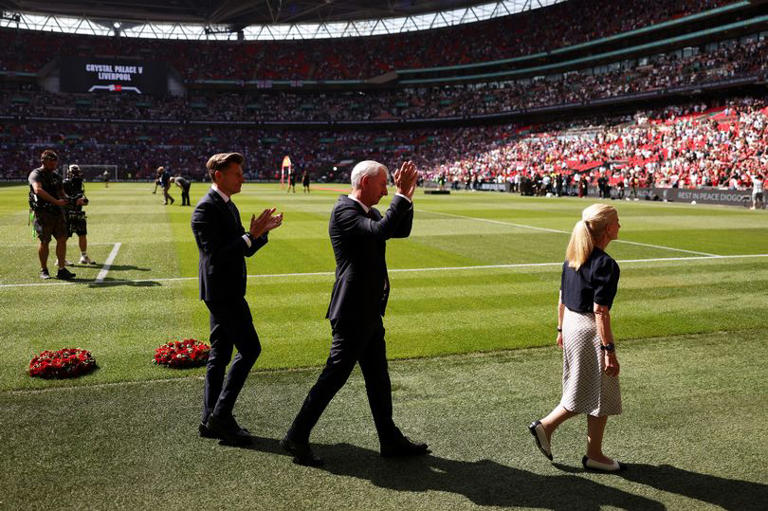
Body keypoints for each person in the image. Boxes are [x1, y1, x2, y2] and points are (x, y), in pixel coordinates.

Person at [282, 160, 427, 467]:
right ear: (363, 182)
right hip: (352, 312)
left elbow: (399, 231)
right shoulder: (344, 212)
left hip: (369, 311)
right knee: (333, 377)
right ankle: (296, 435)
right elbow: (382, 230)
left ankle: (389, 439)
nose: (386, 189)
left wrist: (408, 197)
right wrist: (400, 197)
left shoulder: (368, 212)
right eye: (382, 183)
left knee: (378, 379)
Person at [191, 152, 283, 446]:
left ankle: (209, 419)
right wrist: (249, 235)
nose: (242, 177)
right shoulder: (205, 210)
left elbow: (243, 248)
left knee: (219, 355)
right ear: (219, 175)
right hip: (223, 293)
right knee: (250, 349)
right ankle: (221, 415)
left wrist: (260, 234)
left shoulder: (226, 205)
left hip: (225, 290)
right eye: (237, 173)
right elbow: (217, 255)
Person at [528, 203, 624, 472]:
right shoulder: (606, 264)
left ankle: (594, 454)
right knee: (590, 391)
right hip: (588, 329)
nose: (620, 225)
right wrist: (609, 351)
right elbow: (601, 311)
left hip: (570, 324)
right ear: (606, 229)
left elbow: (560, 298)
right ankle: (546, 426)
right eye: (617, 221)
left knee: (594, 392)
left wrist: (560, 330)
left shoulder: (572, 257)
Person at [28, 150, 80, 280]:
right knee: (45, 241)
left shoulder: (56, 176)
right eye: (51, 161)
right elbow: (38, 190)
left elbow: (62, 194)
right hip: (43, 213)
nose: (54, 164)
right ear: (44, 161)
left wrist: (73, 200)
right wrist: (56, 201)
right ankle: (44, 270)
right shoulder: (36, 174)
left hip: (57, 213)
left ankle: (61, 269)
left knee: (62, 239)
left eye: (55, 161)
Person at [62, 164, 96, 265]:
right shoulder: (64, 183)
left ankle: (84, 256)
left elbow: (82, 197)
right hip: (68, 213)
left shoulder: (79, 183)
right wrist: (74, 201)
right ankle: (60, 259)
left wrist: (84, 201)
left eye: (77, 172)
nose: (76, 174)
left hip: (78, 212)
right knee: (64, 237)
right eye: (74, 172)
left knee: (82, 234)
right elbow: (63, 198)